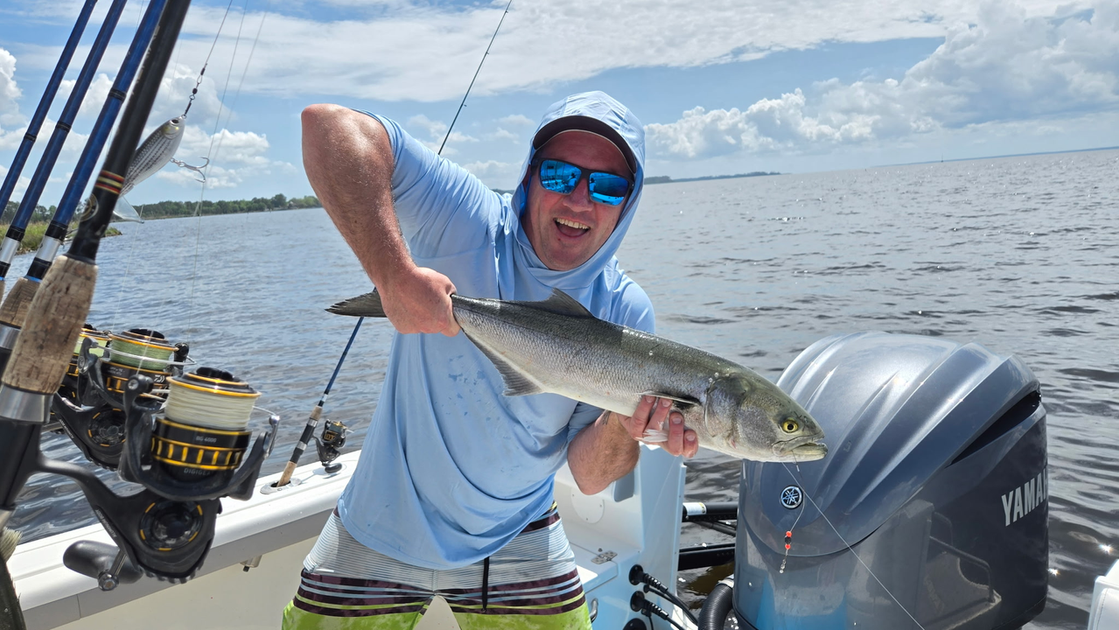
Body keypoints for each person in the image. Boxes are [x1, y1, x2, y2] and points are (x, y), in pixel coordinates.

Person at [283, 91, 699, 630]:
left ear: (628, 203)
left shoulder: (623, 310)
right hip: (383, 518)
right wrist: (392, 275)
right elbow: (326, 127)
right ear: (528, 177)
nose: (578, 200)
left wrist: (627, 423)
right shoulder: (467, 220)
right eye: (558, 175)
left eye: (607, 185)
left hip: (518, 530)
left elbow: (590, 477)